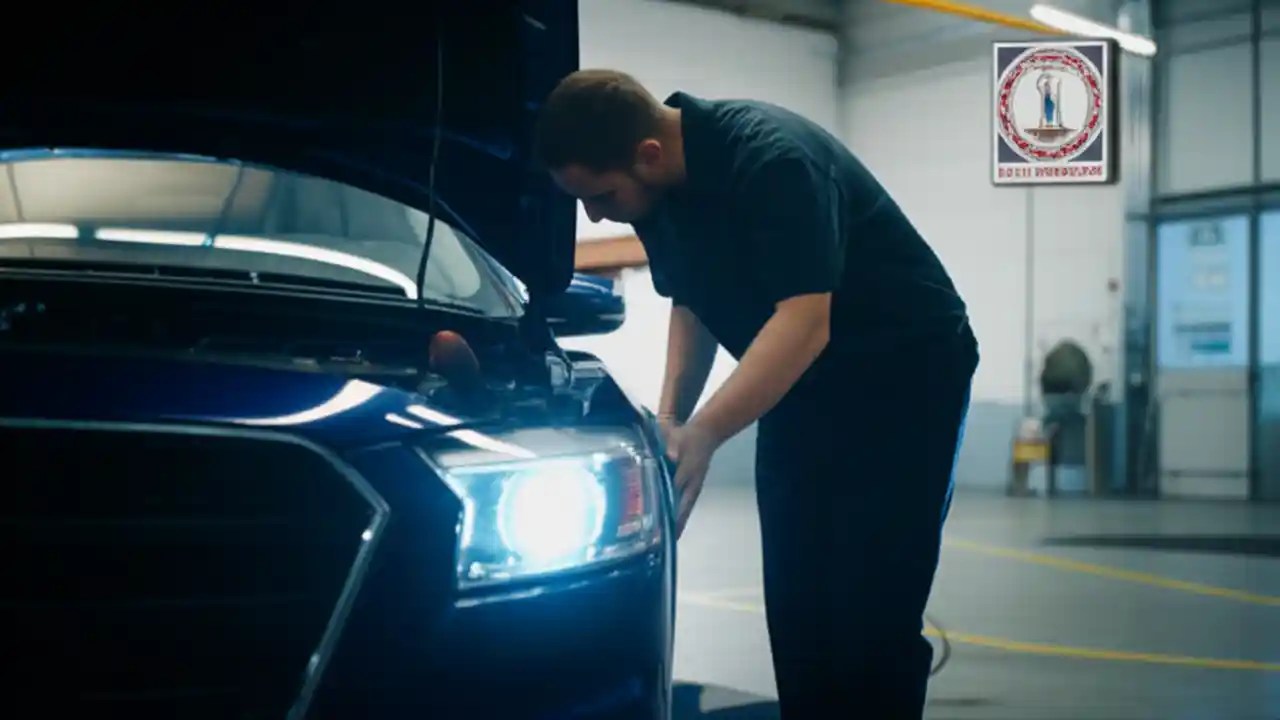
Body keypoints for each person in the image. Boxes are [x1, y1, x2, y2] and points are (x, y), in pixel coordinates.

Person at [533, 69, 978, 719]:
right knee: (798, 603)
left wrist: (707, 433)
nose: (595, 215)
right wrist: (672, 419)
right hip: (803, 384)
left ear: (648, 154)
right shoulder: (659, 193)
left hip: (905, 381)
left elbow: (805, 322)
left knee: (869, 612)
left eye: (600, 196)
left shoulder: (774, 162)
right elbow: (693, 300)